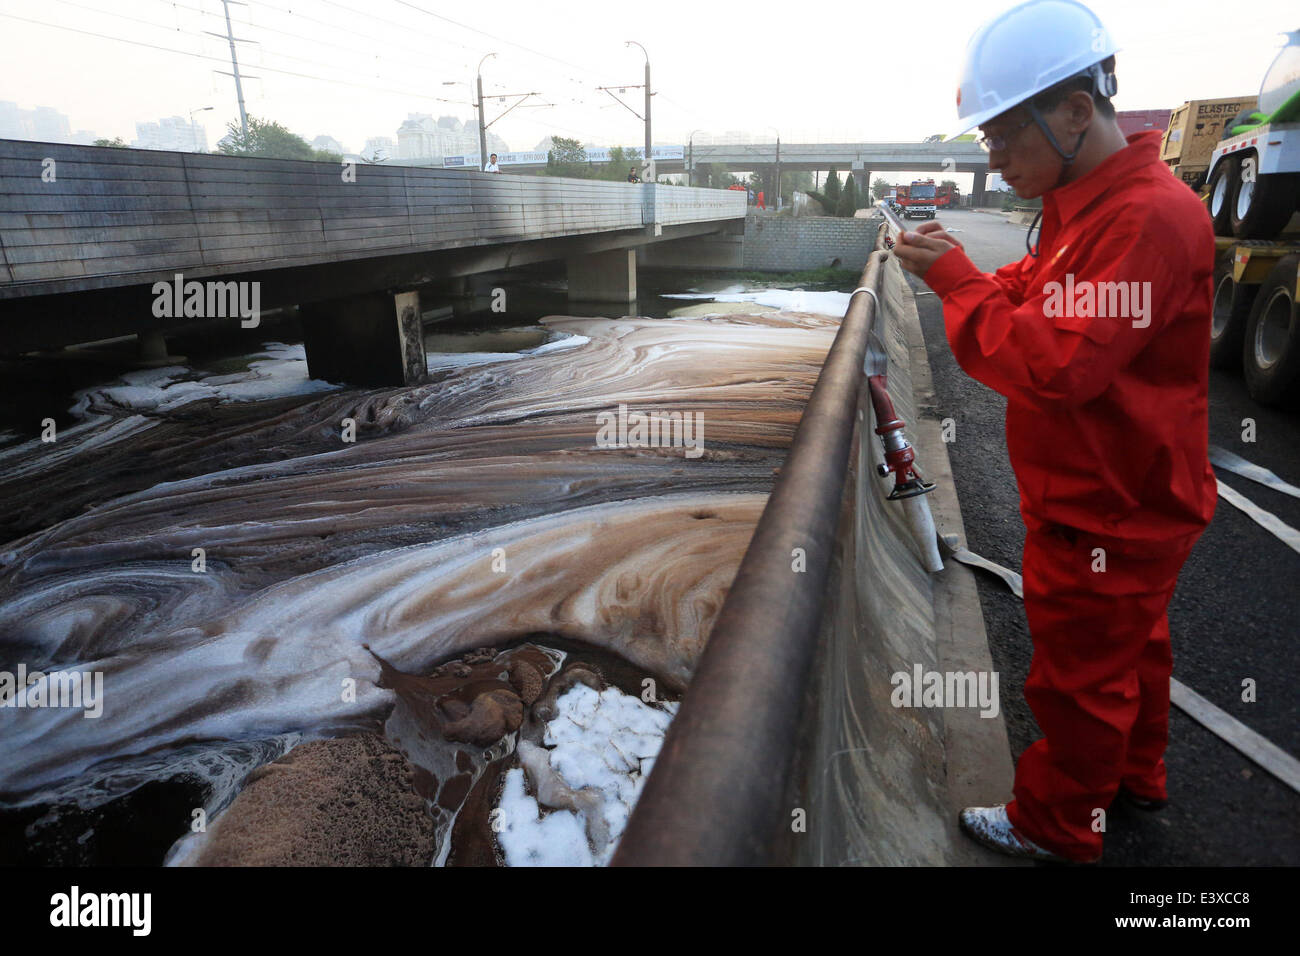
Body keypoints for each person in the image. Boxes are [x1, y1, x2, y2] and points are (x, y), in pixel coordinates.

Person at [893, 0, 1216, 864]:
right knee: (1134, 650)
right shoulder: (1091, 201)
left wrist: (958, 285)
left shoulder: (1144, 216)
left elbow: (1056, 363)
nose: (993, 160)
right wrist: (975, 282)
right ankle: (1135, 776)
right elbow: (1035, 292)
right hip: (1129, 495)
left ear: (1076, 109)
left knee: (1077, 678)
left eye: (1005, 135)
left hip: (1105, 504)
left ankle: (1058, 825)